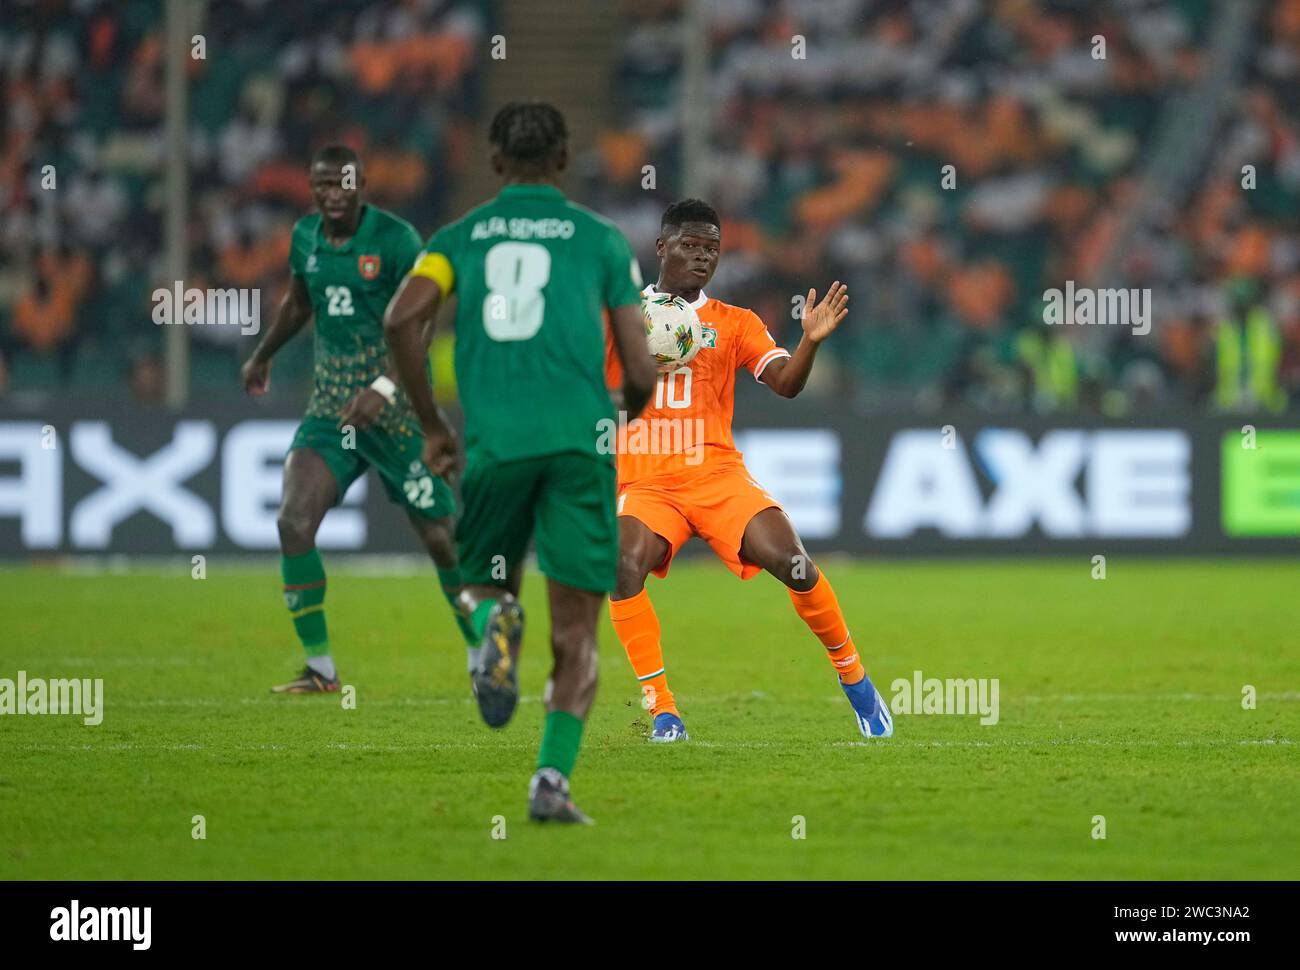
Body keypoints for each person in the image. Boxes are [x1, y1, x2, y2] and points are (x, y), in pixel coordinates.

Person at [384, 103, 657, 823]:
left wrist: (435, 426)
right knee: (577, 635)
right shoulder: (601, 240)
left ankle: (492, 630)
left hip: (498, 444)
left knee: (481, 587)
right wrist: (622, 415)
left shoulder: (457, 239)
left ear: (496, 161)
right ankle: (550, 784)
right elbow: (639, 365)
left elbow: (399, 320)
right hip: (579, 446)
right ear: (565, 160)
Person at [604, 198, 893, 742]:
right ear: (661, 246)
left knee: (796, 565)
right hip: (646, 481)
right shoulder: (620, 320)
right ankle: (664, 712)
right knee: (621, 568)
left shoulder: (734, 323)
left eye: (712, 249)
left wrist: (808, 340)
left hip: (716, 475)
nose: (702, 257)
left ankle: (856, 681)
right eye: (690, 245)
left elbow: (785, 382)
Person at [241, 145, 473, 694]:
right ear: (313, 188)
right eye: (323, 186)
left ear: (363, 184)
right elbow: (300, 303)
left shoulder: (397, 241)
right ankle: (321, 669)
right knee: (293, 522)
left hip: (396, 413)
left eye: (343, 184)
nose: (333, 194)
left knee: (441, 537)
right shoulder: (306, 239)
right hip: (331, 408)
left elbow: (421, 320)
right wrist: (264, 352)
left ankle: (482, 646)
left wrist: (386, 385)